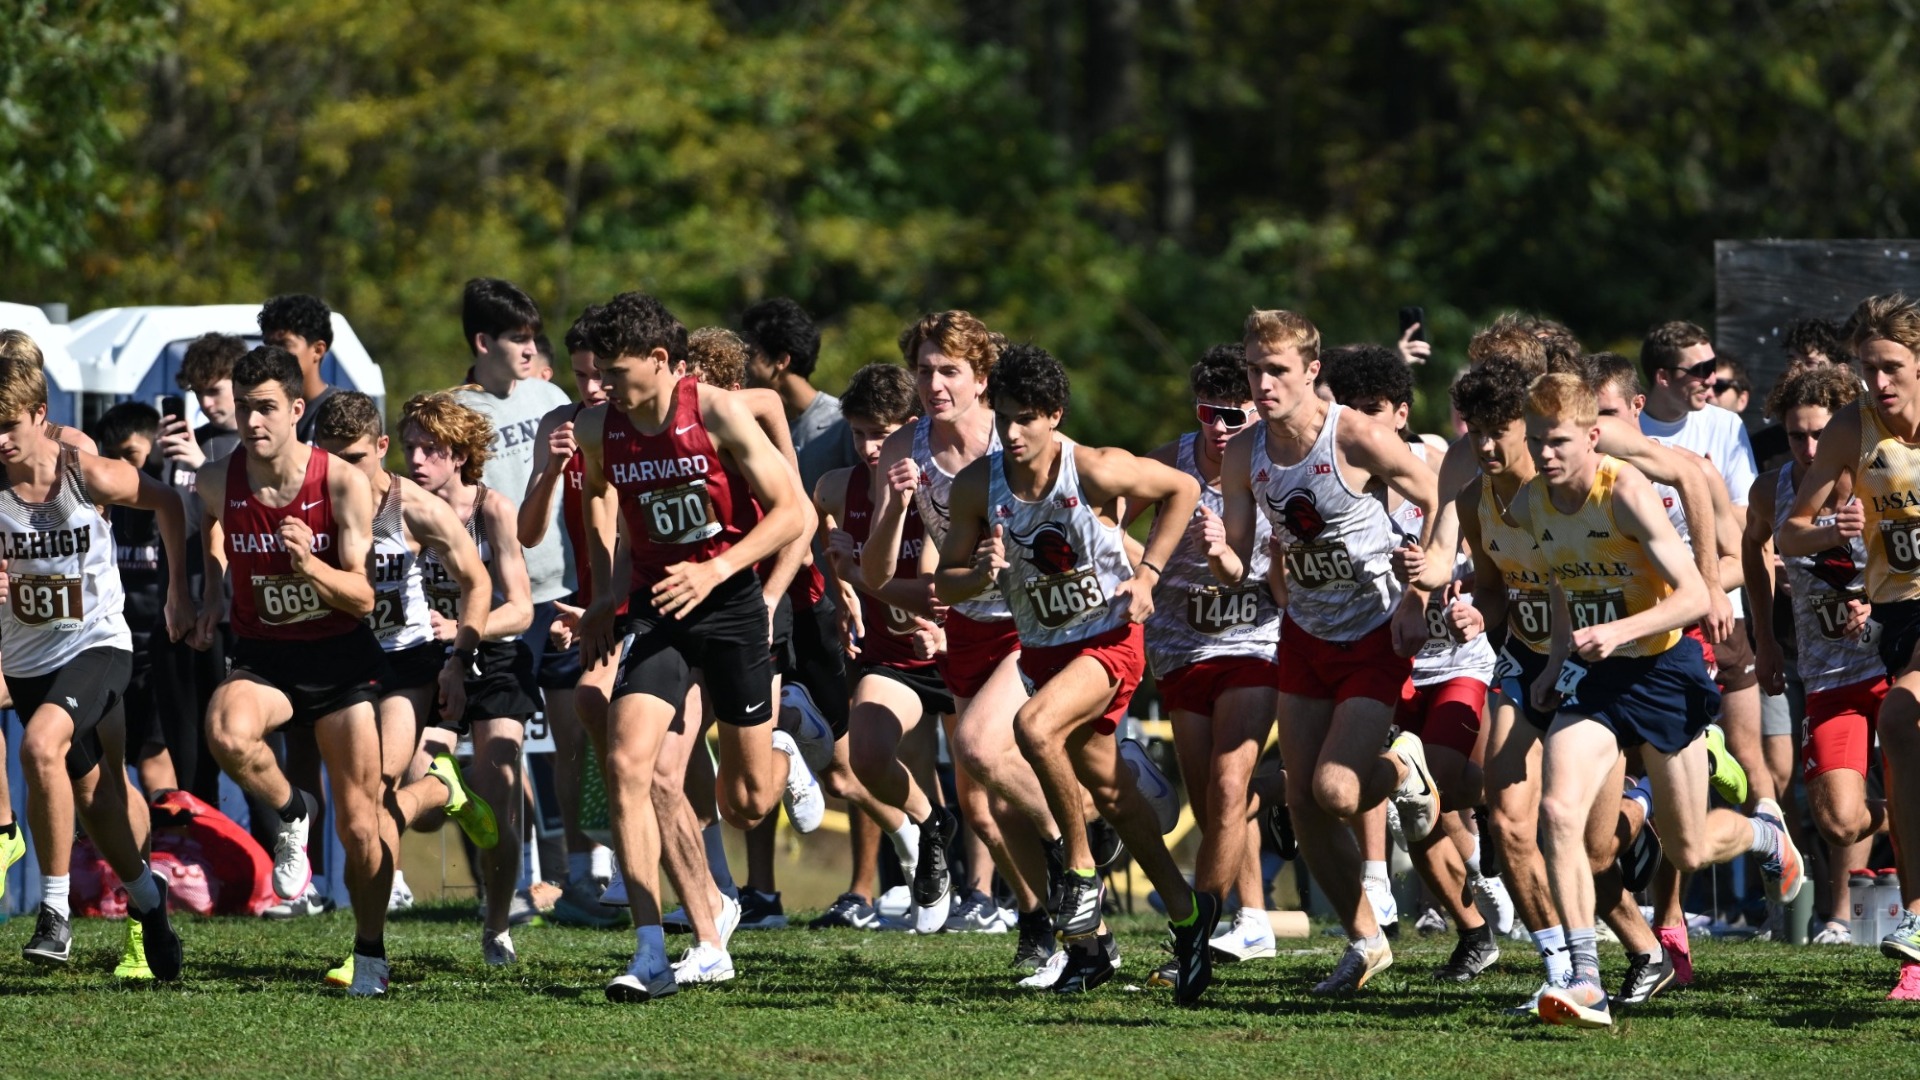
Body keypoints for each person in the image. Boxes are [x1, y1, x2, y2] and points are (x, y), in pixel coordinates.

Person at [936, 342, 1217, 1001]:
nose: (1013, 432)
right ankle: (1189, 915)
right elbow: (945, 581)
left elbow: (1182, 489)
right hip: (1045, 650)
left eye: (1028, 418)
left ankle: (1081, 869)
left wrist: (1148, 576)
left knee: (1033, 728)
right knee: (1114, 795)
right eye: (1004, 416)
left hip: (1109, 639)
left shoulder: (1091, 467)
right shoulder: (977, 485)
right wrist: (979, 573)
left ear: (1055, 416)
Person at [1522, 373, 1802, 1029]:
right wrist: (1555, 662)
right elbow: (1563, 587)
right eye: (1535, 441)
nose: (1544, 454)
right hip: (1595, 679)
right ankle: (1584, 979)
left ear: (1593, 436)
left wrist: (1618, 631)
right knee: (1558, 811)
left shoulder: (1623, 490)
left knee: (1691, 848)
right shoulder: (1535, 499)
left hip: (1662, 671)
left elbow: (1696, 596)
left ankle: (1764, 835)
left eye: (1558, 441)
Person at [573, 291, 816, 1003]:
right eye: (598, 373)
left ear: (659, 360)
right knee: (633, 764)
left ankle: (783, 749)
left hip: (731, 604)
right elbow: (597, 492)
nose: (603, 386)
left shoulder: (715, 412)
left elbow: (793, 512)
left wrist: (716, 569)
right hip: (658, 610)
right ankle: (661, 947)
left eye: (616, 372)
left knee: (746, 803)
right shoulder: (598, 426)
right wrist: (606, 590)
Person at [1454, 357, 1689, 1015]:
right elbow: (1496, 590)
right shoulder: (1477, 499)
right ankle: (1565, 969)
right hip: (1528, 661)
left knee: (1593, 845)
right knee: (1511, 817)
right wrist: (1472, 611)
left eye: (1500, 431)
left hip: (1605, 664)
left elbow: (1690, 480)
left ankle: (1644, 940)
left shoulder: (1586, 484)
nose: (1487, 445)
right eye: (1475, 431)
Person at [1218, 309, 1443, 995]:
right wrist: (1219, 554)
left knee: (1335, 791)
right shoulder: (1244, 452)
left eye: (1277, 370)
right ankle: (1366, 941)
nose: (1262, 384)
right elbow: (1239, 559)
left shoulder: (1355, 434)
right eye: (1254, 370)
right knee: (1303, 802)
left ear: (1311, 370)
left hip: (1374, 630)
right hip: (1305, 633)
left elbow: (1440, 497)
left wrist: (1420, 592)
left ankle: (1403, 769)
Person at [860, 311, 1061, 963]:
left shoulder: (1016, 435)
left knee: (983, 752)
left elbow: (1082, 508)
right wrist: (894, 512)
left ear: (982, 378)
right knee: (987, 795)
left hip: (1035, 621)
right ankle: (1039, 916)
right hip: (968, 624)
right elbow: (876, 573)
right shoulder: (904, 447)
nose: (934, 384)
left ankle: (1073, 850)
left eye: (950, 371)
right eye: (924, 371)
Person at [193, 345, 393, 996]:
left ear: (297, 409)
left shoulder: (340, 482)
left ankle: (370, 952)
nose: (252, 422)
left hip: (338, 658)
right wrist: (205, 595)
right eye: (243, 408)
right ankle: (292, 811)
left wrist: (310, 568)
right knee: (226, 730)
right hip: (266, 655)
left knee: (361, 825)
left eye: (266, 408)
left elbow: (363, 597)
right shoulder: (217, 480)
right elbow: (209, 528)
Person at [1, 353, 193, 981]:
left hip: (98, 645)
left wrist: (180, 592)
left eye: (8, 425)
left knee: (39, 745)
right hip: (29, 660)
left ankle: (54, 913)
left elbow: (169, 503)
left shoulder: (85, 471)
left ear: (39, 415)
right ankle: (150, 904)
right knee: (95, 797)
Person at [1323, 344, 1503, 981]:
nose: (1361, 422)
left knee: (1448, 782)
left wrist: (1460, 593)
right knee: (1417, 804)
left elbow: (1490, 557)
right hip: (1389, 662)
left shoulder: (1443, 471)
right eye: (1350, 409)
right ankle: (1474, 932)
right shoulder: (1337, 476)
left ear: (1401, 414)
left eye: (1373, 409)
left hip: (1455, 659)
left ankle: (1504, 814)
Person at [309, 391, 497, 986]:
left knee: (378, 798)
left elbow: (477, 582)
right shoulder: (313, 503)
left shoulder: (413, 507)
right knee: (356, 818)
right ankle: (442, 786)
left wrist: (459, 660)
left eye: (356, 459)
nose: (344, 472)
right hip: (340, 664)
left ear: (382, 448)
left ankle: (368, 953)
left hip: (403, 666)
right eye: (332, 459)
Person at [1779, 293, 1920, 1001]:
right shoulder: (1850, 429)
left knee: (1900, 718)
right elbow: (1789, 533)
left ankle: (1916, 919)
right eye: (1868, 367)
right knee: (1875, 778)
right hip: (1898, 614)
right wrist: (1833, 529)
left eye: (1891, 366)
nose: (1878, 381)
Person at [1141, 343, 1281, 963]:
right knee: (1209, 795)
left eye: (1234, 416)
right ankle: (1253, 918)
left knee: (1229, 784)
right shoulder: (1168, 464)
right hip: (1182, 644)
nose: (1220, 428)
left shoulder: (1279, 462)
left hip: (1256, 638)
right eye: (1208, 413)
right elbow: (1102, 513)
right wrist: (1142, 563)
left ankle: (1197, 934)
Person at [1744, 365, 1887, 947]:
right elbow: (1753, 547)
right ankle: (1902, 813)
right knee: (1837, 819)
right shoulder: (1772, 491)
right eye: (1795, 435)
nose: (1808, 449)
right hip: (1825, 670)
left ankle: (1845, 917)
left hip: (1894, 661)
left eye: (1819, 435)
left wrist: (1875, 604)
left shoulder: (1882, 477)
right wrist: (1765, 636)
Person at [401, 391, 537, 962]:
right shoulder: (396, 509)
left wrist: (462, 629)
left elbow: (521, 610)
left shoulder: (492, 510)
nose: (416, 460)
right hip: (429, 662)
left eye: (430, 449)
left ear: (459, 455)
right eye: (409, 447)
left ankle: (497, 926)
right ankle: (450, 783)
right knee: (424, 811)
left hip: (493, 659)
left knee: (499, 796)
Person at [816, 362, 950, 928]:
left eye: (881, 434)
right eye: (859, 433)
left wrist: (862, 578)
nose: (870, 447)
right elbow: (815, 530)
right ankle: (932, 828)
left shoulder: (942, 484)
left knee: (990, 786)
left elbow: (936, 584)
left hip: (958, 651)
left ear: (912, 429)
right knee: (867, 757)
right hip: (893, 657)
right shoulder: (836, 487)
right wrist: (840, 586)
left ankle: (1011, 902)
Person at [518, 312, 628, 928]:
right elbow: (529, 532)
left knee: (621, 727)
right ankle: (584, 872)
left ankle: (630, 864)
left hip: (631, 598)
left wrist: (609, 604)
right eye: (581, 375)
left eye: (600, 375)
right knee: (575, 739)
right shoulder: (559, 425)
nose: (590, 389)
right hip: (575, 601)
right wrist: (552, 472)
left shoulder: (640, 424)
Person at [448, 279, 575, 726]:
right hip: (503, 602)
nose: (531, 349)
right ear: (484, 343)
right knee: (502, 733)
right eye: (518, 339)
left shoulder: (551, 397)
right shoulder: (454, 413)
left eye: (532, 338)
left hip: (568, 588)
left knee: (575, 735)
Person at [258, 294, 341, 446]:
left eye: (284, 345)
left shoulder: (340, 412)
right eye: (268, 346)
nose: (272, 355)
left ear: (318, 350)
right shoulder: (260, 413)